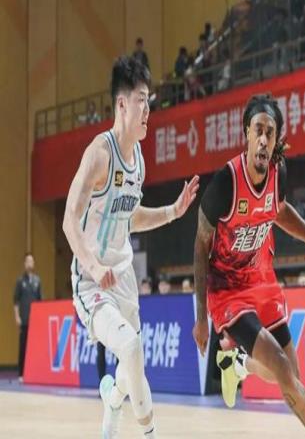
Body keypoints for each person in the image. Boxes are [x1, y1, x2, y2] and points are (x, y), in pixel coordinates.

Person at [63, 55, 199, 439]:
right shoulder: (99, 154)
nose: (148, 111)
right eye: (141, 101)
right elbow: (69, 219)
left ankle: (112, 398)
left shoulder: (137, 160)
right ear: (122, 105)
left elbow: (130, 217)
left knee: (131, 363)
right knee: (132, 346)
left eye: (149, 101)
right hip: (92, 281)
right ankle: (150, 432)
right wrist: (93, 266)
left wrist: (172, 211)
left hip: (123, 278)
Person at [192, 94, 305, 439]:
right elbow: (200, 245)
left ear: (276, 139)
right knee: (281, 367)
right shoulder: (226, 182)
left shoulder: (277, 173)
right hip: (227, 291)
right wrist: (201, 317)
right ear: (246, 133)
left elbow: (278, 210)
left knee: (292, 375)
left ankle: (238, 364)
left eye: (271, 132)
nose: (264, 139)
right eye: (258, 130)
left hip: (260, 277)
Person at [13, 253, 42, 382]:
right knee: (23, 346)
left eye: (31, 261)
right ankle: (21, 373)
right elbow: (15, 301)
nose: (30, 263)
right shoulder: (20, 281)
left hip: (35, 320)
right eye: (28, 261)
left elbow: (40, 301)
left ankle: (34, 372)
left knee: (35, 347)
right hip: (24, 319)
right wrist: (17, 317)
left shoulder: (37, 281)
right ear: (25, 264)